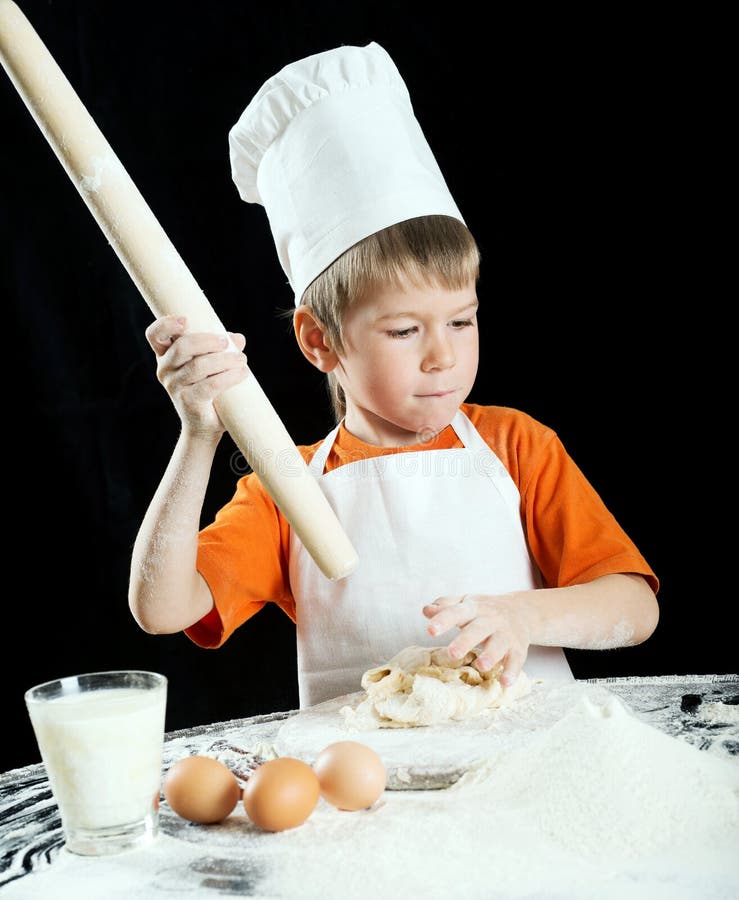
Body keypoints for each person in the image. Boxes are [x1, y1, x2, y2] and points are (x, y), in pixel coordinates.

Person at [128, 42, 659, 708]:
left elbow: (634, 607)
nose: (443, 356)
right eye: (405, 330)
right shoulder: (287, 490)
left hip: (532, 782)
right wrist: (198, 434)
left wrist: (524, 616)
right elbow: (162, 607)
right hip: (380, 803)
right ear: (319, 341)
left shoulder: (516, 447)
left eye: (461, 321)